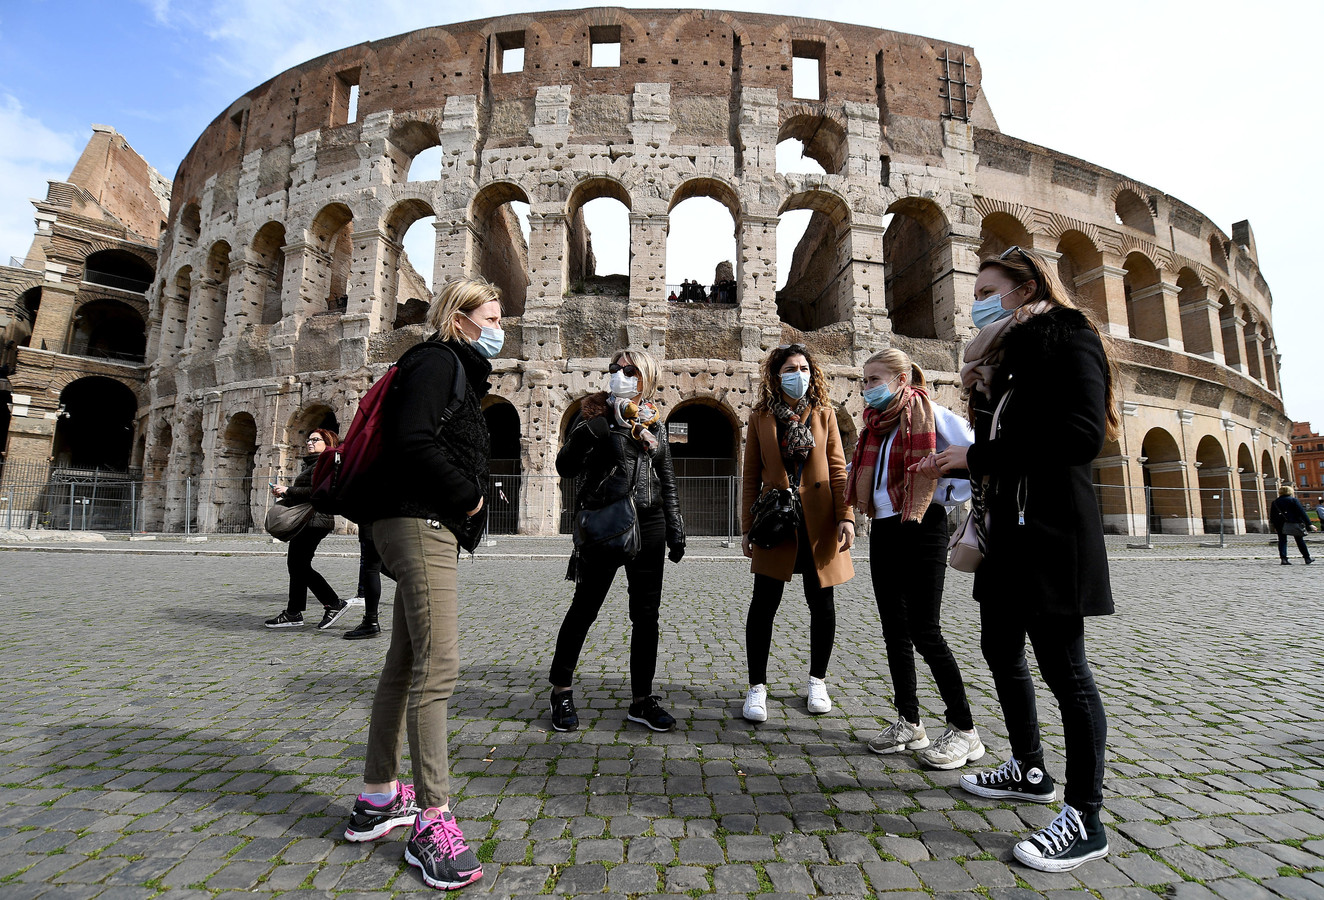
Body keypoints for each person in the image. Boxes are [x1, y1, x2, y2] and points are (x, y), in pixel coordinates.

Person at [914, 245, 1117, 872]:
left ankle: (1085, 816)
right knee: (1000, 648)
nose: (973, 301)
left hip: (1053, 532)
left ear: (1025, 288)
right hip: (1008, 531)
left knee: (1067, 672)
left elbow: (1083, 434)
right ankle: (1029, 767)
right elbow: (1004, 441)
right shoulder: (1000, 361)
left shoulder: (1069, 338)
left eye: (987, 289)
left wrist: (974, 457)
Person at [341, 278, 502, 891]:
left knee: (404, 665)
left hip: (411, 522)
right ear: (459, 319)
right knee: (441, 669)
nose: (498, 325)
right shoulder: (437, 361)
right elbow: (412, 439)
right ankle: (432, 822)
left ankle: (379, 797)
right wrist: (467, 497)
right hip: (421, 522)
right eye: (490, 316)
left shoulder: (446, 365)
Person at [849, 348, 983, 769]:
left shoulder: (933, 415)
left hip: (923, 525)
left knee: (925, 630)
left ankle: (965, 730)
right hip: (885, 528)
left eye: (874, 379)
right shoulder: (875, 427)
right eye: (864, 380)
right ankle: (909, 720)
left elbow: (974, 458)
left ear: (901, 379)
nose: (866, 388)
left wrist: (943, 485)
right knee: (894, 629)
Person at [548, 347, 686, 732]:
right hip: (607, 520)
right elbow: (565, 467)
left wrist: (675, 526)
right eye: (614, 368)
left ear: (646, 378)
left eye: (628, 369)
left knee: (646, 617)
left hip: (651, 521)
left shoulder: (654, 422)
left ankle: (642, 700)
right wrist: (590, 432)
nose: (618, 374)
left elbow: (667, 477)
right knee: (585, 608)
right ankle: (561, 690)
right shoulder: (594, 415)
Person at [740, 343, 854, 722]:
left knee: (822, 606)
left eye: (804, 367)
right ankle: (757, 687)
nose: (799, 374)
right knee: (764, 605)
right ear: (776, 374)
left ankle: (817, 680)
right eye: (791, 368)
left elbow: (838, 470)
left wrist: (847, 516)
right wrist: (746, 528)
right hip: (777, 520)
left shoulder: (824, 414)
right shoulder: (760, 417)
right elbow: (751, 476)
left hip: (820, 521)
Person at [265, 428, 352, 630]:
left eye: (315, 439)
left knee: (299, 565)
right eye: (308, 439)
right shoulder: (313, 463)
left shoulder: (325, 462)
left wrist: (288, 490)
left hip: (314, 520)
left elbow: (318, 492)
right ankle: (293, 612)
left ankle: (334, 603)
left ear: (327, 442)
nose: (310, 443)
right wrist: (286, 494)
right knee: (296, 565)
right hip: (309, 519)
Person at [344, 523, 386, 639]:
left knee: (371, 569)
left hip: (373, 523)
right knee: (382, 566)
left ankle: (371, 621)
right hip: (393, 525)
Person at [1269, 484, 1313, 565]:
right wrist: (1309, 524)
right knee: (1299, 540)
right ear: (1290, 492)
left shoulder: (1275, 502)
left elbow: (1272, 515)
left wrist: (1273, 526)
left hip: (1280, 524)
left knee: (1282, 541)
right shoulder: (1293, 500)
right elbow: (1302, 512)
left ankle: (1284, 559)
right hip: (1294, 523)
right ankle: (1307, 558)